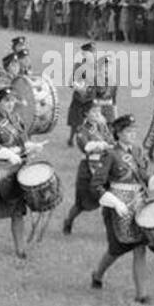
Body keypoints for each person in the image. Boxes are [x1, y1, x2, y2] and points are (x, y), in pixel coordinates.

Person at [89, 114, 152, 303]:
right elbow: (96, 185)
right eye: (128, 131)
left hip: (138, 203)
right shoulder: (110, 154)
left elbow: (144, 177)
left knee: (140, 247)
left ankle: (141, 294)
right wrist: (115, 202)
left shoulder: (138, 151)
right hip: (117, 206)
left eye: (134, 131)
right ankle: (98, 274)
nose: (132, 134)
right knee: (117, 249)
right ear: (118, 133)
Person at [0, 85, 36, 259]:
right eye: (6, 101)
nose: (10, 104)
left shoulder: (17, 118)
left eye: (12, 101)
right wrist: (10, 154)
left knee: (17, 210)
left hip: (17, 169)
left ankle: (20, 249)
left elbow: (24, 140)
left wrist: (31, 148)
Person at [62, 98, 114, 234]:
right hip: (88, 169)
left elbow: (111, 141)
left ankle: (111, 229)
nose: (98, 114)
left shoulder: (102, 127)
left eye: (99, 110)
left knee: (108, 198)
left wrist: (110, 143)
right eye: (94, 111)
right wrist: (100, 145)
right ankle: (68, 222)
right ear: (86, 114)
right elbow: (85, 146)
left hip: (104, 167)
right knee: (81, 204)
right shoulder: (82, 129)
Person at [66, 41, 97, 147]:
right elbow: (71, 82)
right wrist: (79, 88)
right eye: (89, 52)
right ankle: (71, 139)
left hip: (90, 98)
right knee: (75, 121)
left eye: (93, 52)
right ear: (84, 54)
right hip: (79, 98)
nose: (92, 54)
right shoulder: (79, 66)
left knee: (90, 121)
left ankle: (88, 140)